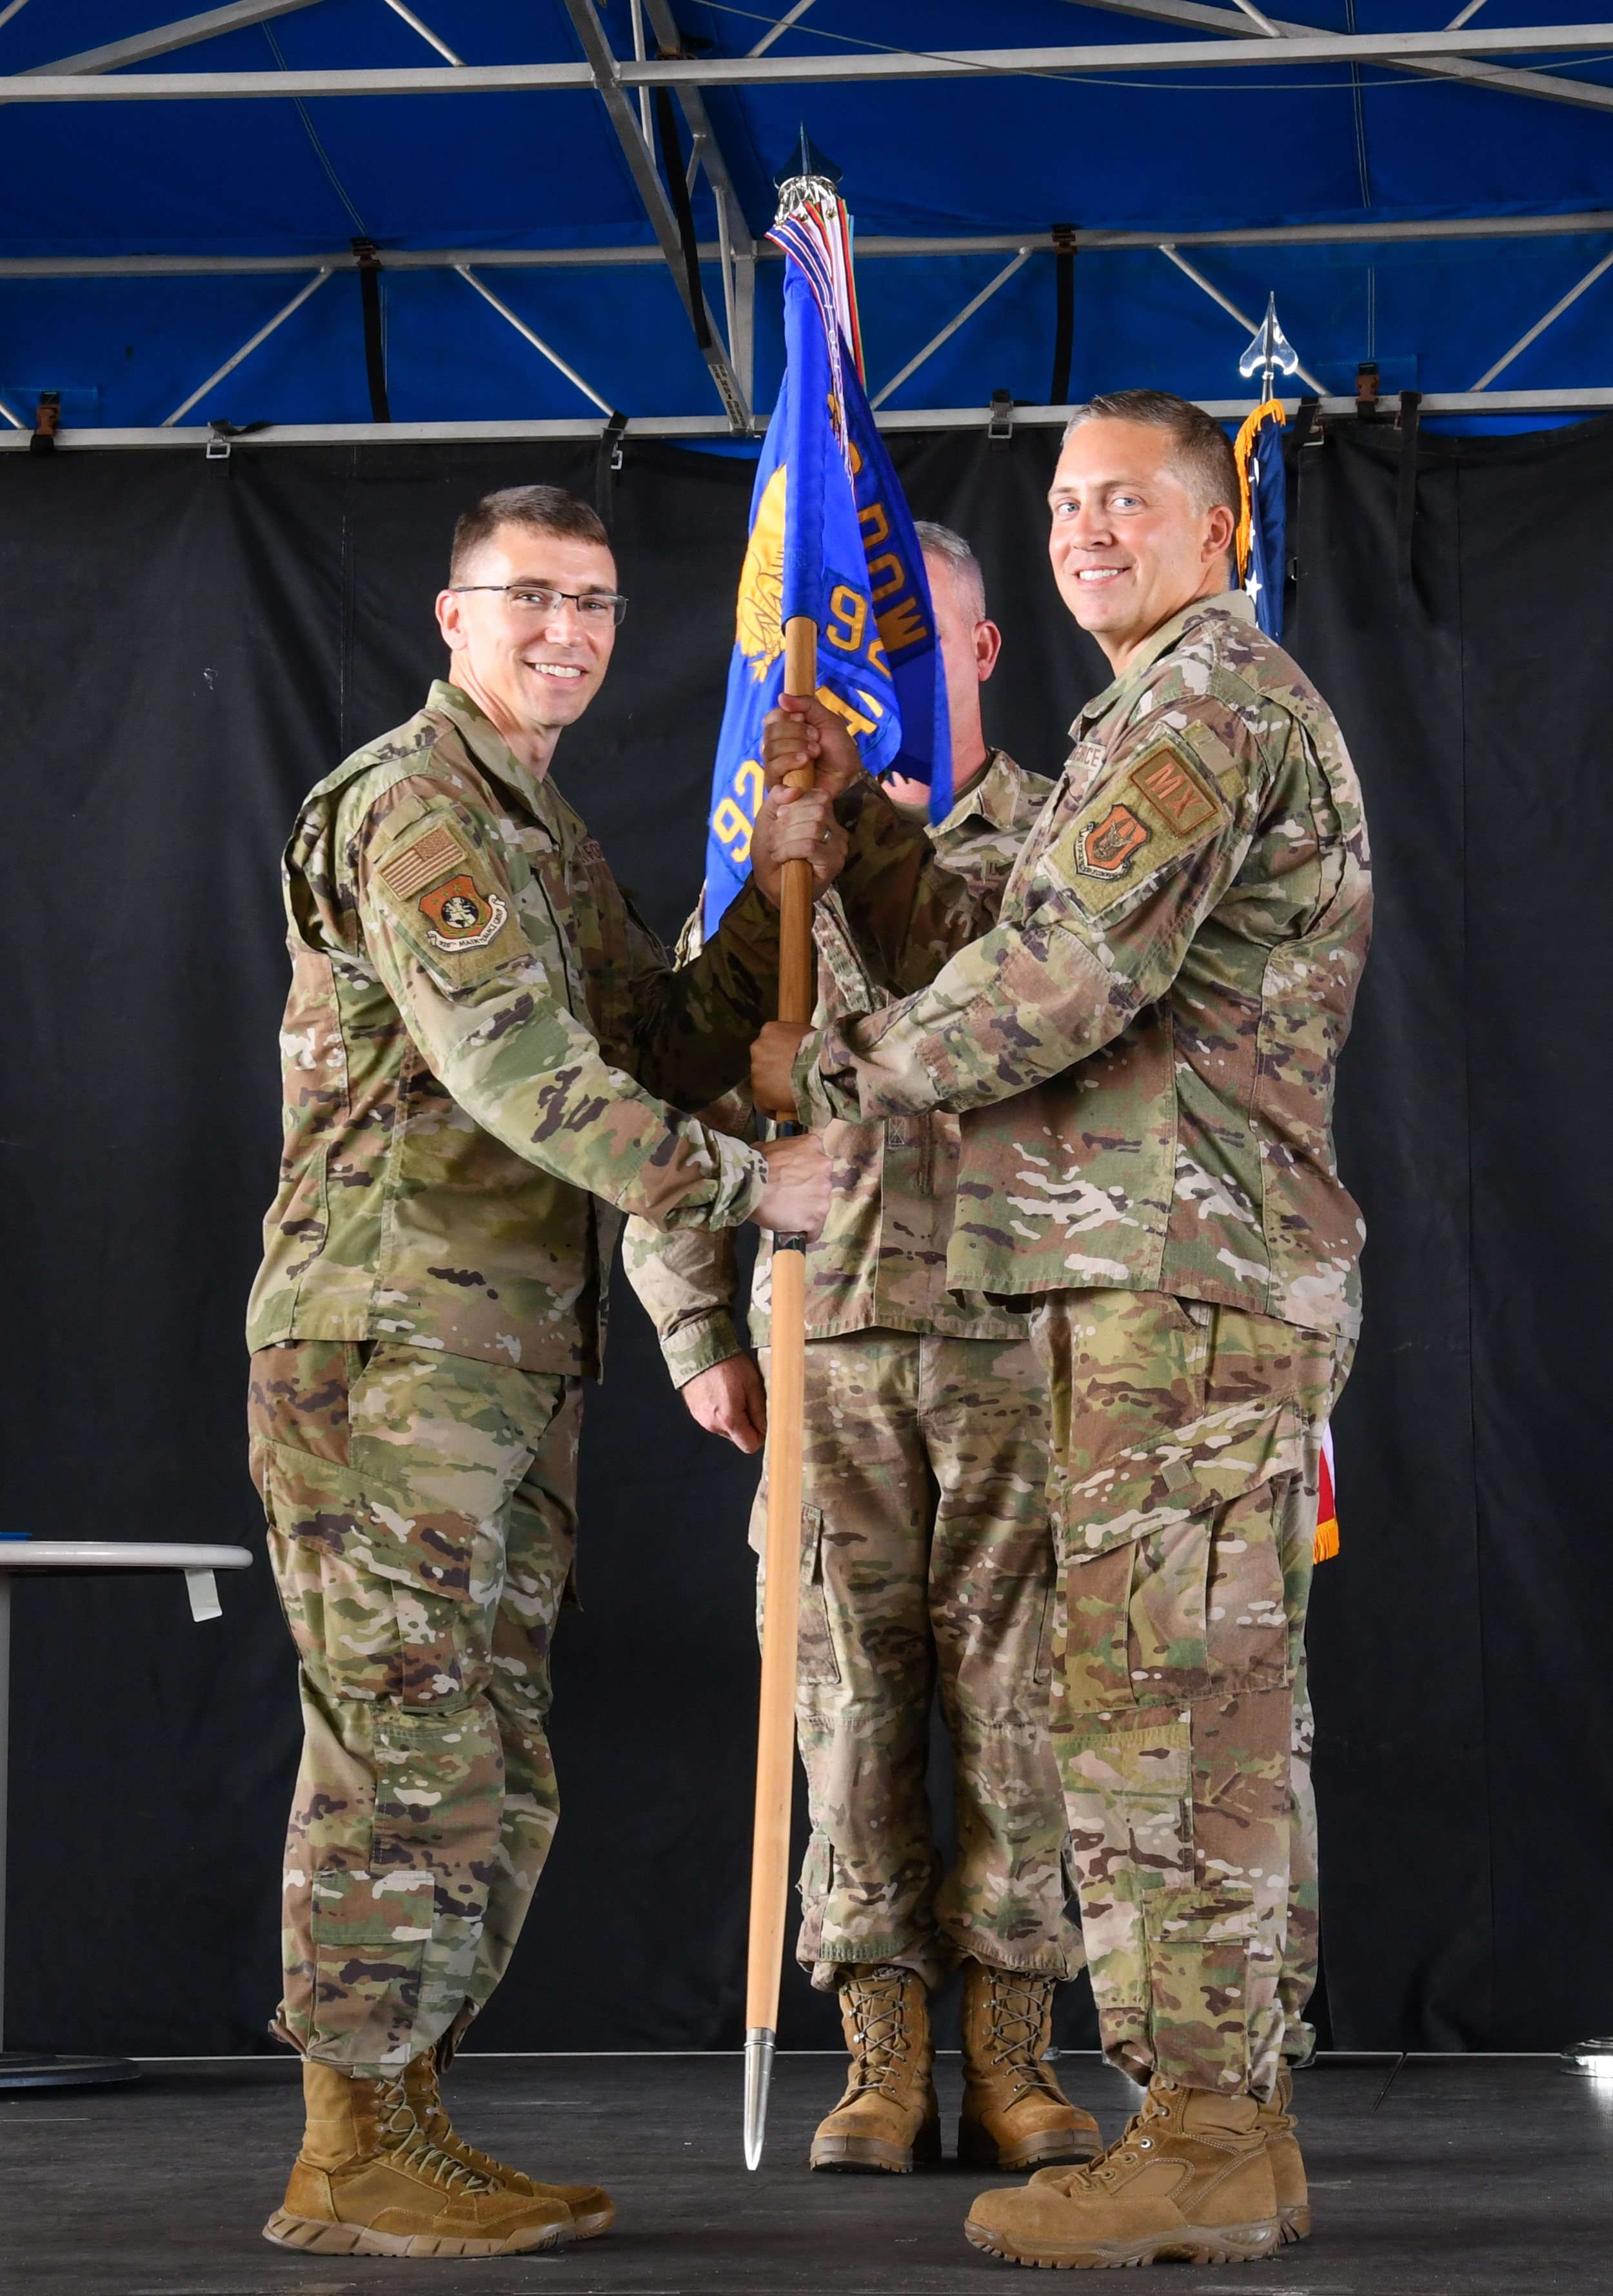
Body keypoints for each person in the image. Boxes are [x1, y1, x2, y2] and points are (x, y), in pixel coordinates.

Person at [753, 391, 1371, 2270]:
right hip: (1152, 1280)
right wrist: (864, 840)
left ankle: (1201, 2138)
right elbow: (994, 923)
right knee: (1192, 1716)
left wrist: (840, 1069)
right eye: (1067, 504)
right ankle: (1234, 2133)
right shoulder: (1147, 716)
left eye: (1130, 502)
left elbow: (1059, 976)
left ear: (1216, 529)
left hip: (1182, 1284)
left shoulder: (1203, 710)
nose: (1089, 528)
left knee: (1163, 1724)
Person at [246, 483, 842, 2261]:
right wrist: (755, 1187)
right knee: (403, 1746)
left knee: (487, 1761)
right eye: (530, 599)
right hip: (391, 1351)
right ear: (454, 618)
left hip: (496, 1364)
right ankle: (345, 2151)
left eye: (592, 605)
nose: (566, 632)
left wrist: (781, 876)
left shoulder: (543, 831)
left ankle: (405, 2118)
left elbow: (643, 1041)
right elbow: (520, 1074)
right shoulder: (414, 805)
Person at [624, 524, 1096, 2179]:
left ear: (978, 654)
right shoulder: (767, 853)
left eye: (910, 647)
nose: (875, 682)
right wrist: (697, 1323)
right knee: (847, 1710)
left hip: (1024, 1336)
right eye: (851, 655)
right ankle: (880, 2058)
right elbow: (681, 1084)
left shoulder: (1066, 839)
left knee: (1026, 1707)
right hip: (827, 1343)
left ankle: (1015, 2055)